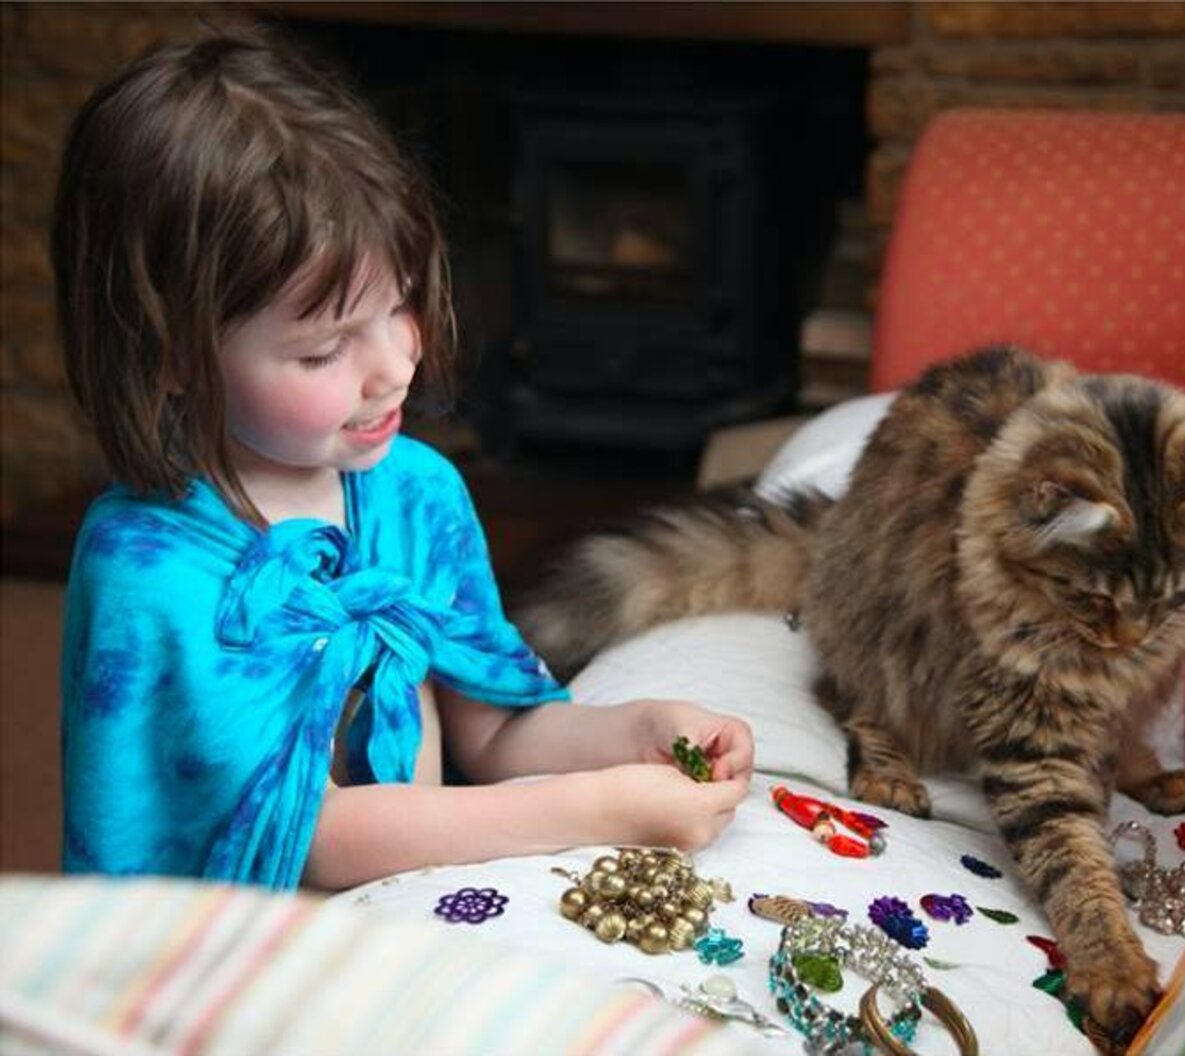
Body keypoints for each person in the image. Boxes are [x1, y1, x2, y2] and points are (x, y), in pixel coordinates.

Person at [52, 29, 753, 891]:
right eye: (322, 351)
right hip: (249, 974)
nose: (393, 367)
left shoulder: (417, 495)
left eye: (401, 307)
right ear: (170, 353)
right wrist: (597, 809)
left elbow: (490, 734)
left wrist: (638, 732)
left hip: (416, 915)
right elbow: (307, 838)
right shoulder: (153, 571)